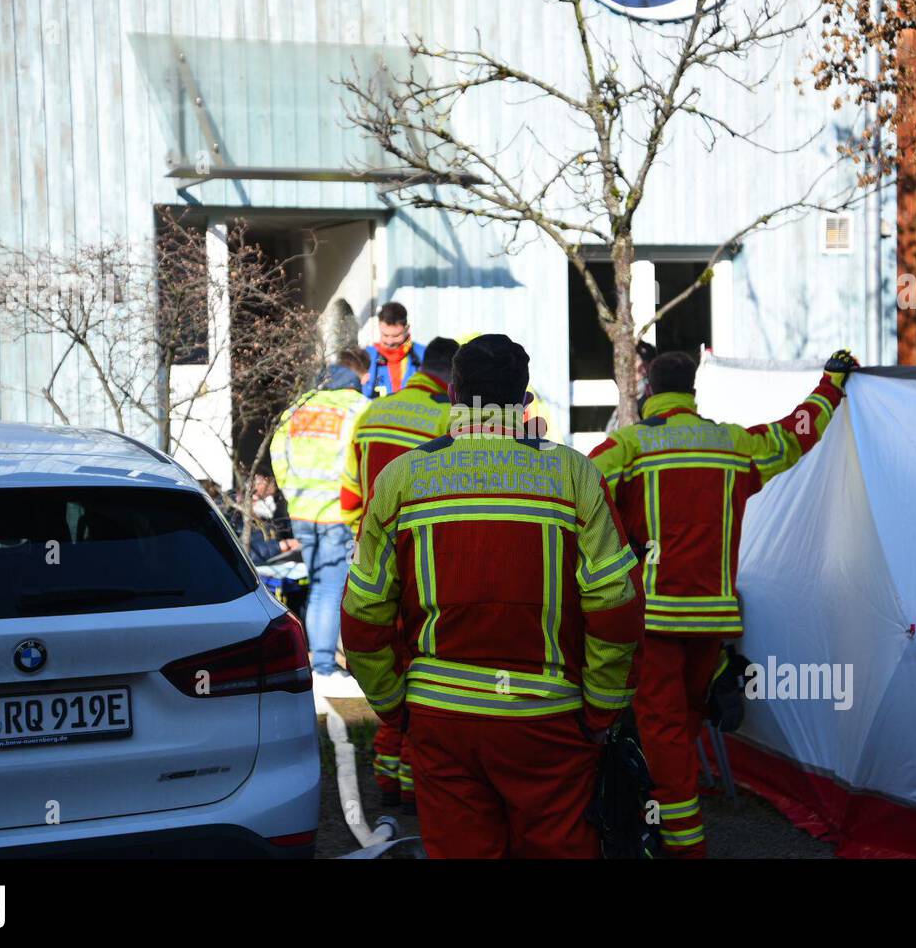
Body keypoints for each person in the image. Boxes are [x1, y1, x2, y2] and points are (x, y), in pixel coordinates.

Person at [340, 334, 645, 858]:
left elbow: (363, 617)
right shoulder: (573, 475)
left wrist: (396, 708)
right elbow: (616, 610)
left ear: (455, 396)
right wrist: (600, 711)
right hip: (548, 720)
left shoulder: (401, 479)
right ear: (524, 400)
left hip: (441, 722)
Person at [588, 347, 859, 857]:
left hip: (657, 618)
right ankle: (667, 809)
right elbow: (794, 434)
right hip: (713, 619)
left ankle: (683, 842)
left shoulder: (627, 446)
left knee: (662, 727)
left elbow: (578, 489)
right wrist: (832, 384)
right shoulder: (731, 443)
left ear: (648, 390)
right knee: (684, 722)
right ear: (693, 391)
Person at [340, 337, 459, 809]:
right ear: (452, 379)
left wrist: (365, 535)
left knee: (387, 662)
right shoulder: (444, 418)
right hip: (423, 558)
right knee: (421, 665)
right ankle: (412, 782)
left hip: (373, 553)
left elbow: (350, 494)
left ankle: (388, 776)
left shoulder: (374, 414)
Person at [271, 348, 370, 696]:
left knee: (318, 587)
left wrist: (292, 491)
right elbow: (365, 458)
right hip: (338, 511)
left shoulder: (298, 407)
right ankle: (325, 666)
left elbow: (276, 452)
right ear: (355, 382)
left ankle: (322, 660)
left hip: (302, 510)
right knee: (333, 590)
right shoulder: (358, 408)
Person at [363, 302, 426, 398]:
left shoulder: (424, 355)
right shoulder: (366, 357)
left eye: (396, 336)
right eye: (385, 335)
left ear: (407, 329)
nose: (390, 341)